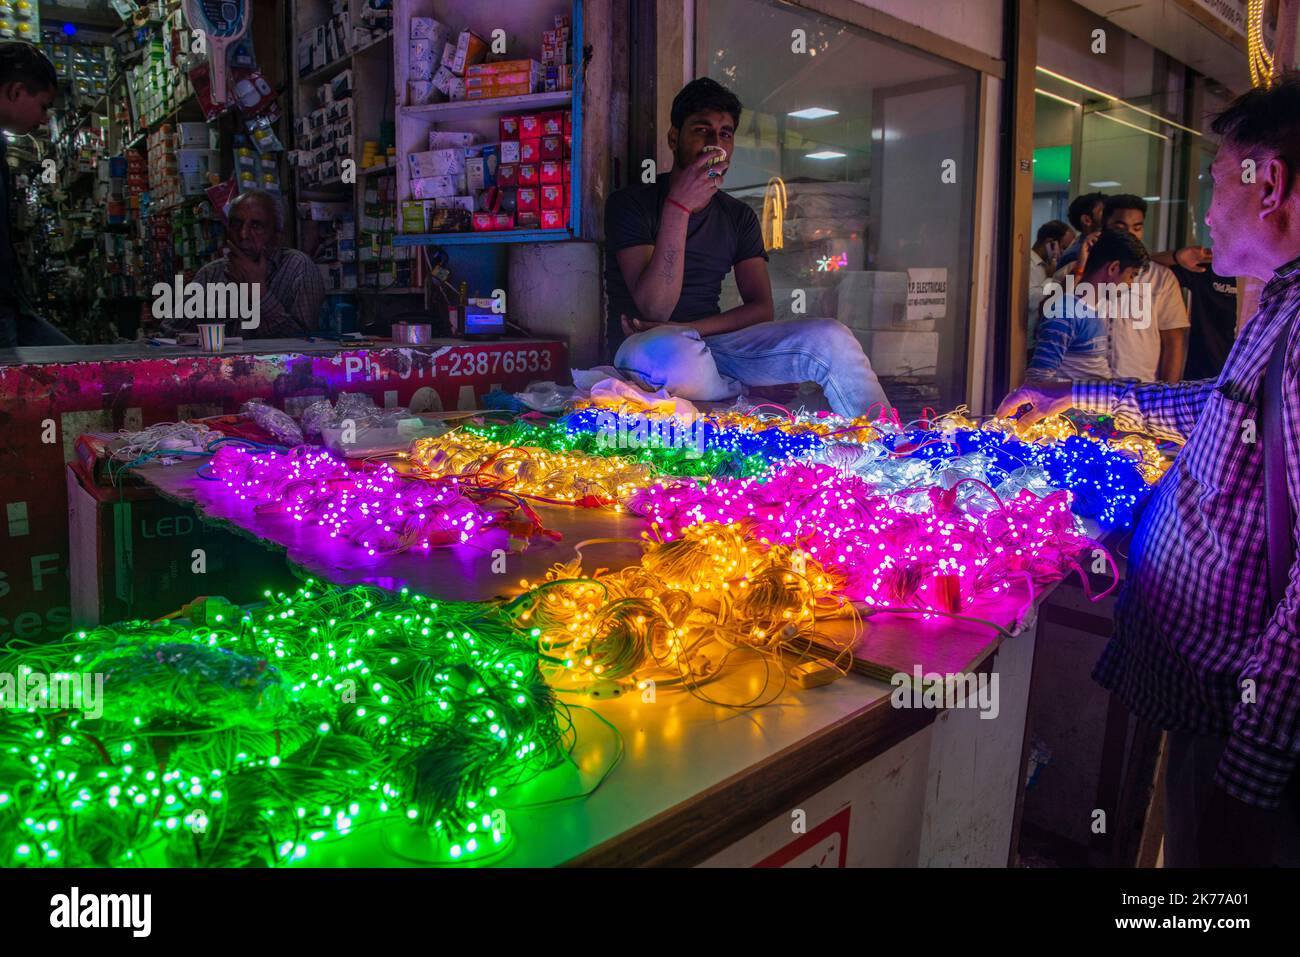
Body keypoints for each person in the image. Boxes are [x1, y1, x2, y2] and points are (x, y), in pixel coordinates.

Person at [997, 74, 1300, 867]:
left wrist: (1253, 769)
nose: (1202, 207)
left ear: (1268, 183)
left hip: (1249, 734)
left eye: (1213, 178)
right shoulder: (1282, 307)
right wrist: (1068, 395)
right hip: (1215, 703)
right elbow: (1220, 405)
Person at [603, 77, 887, 418]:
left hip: (711, 344)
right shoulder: (632, 203)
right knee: (669, 353)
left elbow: (760, 308)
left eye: (725, 133)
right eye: (702, 130)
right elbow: (656, 309)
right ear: (674, 138)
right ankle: (739, 392)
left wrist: (692, 329)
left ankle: (889, 442)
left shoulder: (738, 216)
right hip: (646, 347)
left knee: (831, 336)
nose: (715, 143)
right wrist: (678, 207)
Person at [162, 188, 325, 338]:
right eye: (236, 224)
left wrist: (259, 294)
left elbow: (305, 344)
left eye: (256, 226)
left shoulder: (299, 268)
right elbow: (169, 332)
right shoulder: (211, 274)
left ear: (277, 236)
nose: (243, 234)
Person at [1063, 194, 1190, 383]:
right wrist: (1081, 269)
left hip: (1138, 392)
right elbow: (1055, 319)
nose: (1130, 234)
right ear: (1105, 227)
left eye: (1137, 228)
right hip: (1081, 389)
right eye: (1120, 227)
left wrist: (1166, 394)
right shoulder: (1077, 270)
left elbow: (1173, 342)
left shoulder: (1160, 278)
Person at [0, 41, 71, 348]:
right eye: (43, 106)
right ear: (16, 92)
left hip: (10, 302)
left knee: (73, 367)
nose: (44, 119)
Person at [1025, 229, 1148, 381]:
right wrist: (1096, 392)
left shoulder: (1094, 311)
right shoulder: (1066, 312)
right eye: (1132, 275)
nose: (1131, 284)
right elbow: (1038, 382)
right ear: (1114, 268)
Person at [1169, 249, 1239, 381]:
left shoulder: (1264, 273)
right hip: (1200, 373)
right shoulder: (1207, 269)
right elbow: (1147, 266)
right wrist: (1176, 256)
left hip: (1243, 375)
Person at [1028, 219, 1075, 350]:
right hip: (1027, 342)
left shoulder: (1046, 265)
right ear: (1050, 243)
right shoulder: (1028, 264)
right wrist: (1050, 278)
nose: (1065, 253)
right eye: (1064, 247)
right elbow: (1031, 301)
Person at [1055, 192, 1105, 270]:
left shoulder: (1101, 247)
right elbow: (1070, 282)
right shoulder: (1075, 255)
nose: (1111, 217)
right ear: (1087, 220)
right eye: (1105, 212)